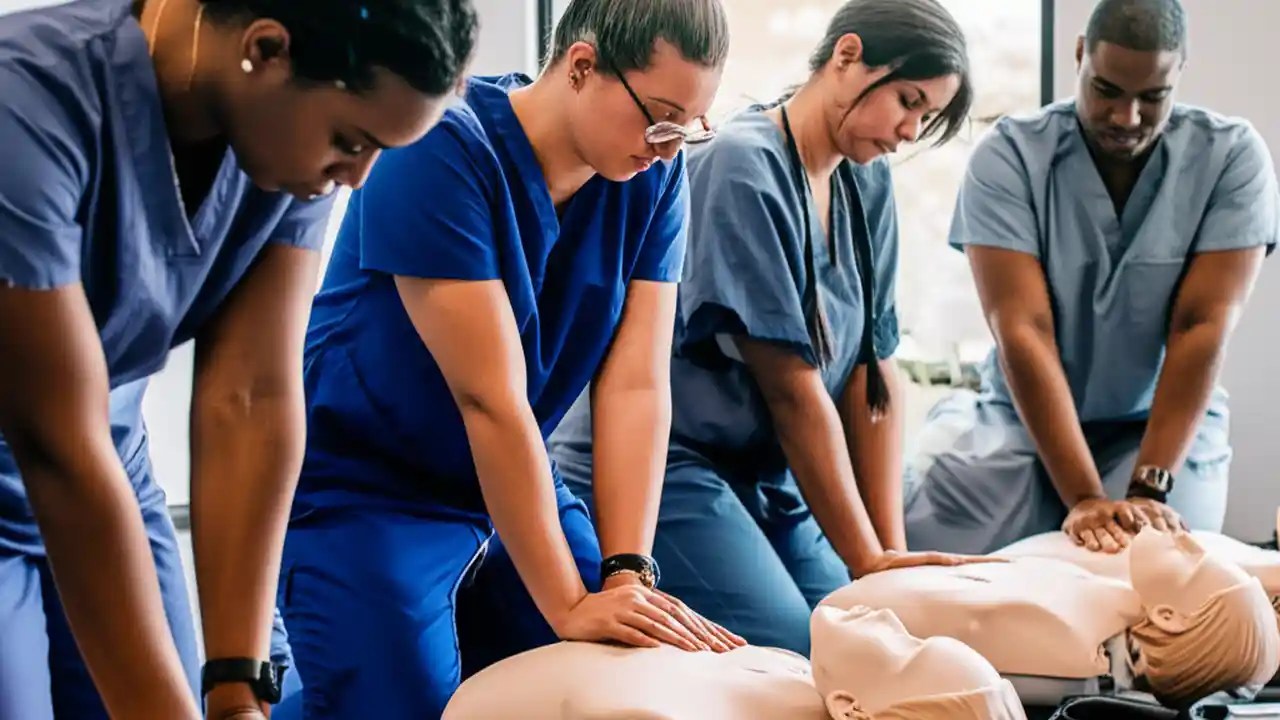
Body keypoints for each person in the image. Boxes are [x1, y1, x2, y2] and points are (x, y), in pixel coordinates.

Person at [0, 0, 475, 717]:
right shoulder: (25, 102)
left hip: (110, 460)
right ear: (264, 50)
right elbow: (54, 448)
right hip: (53, 452)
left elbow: (250, 397)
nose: (356, 177)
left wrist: (236, 686)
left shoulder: (286, 146)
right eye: (351, 142)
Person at [277, 1, 742, 717]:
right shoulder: (438, 142)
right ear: (582, 66)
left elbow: (636, 385)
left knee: (624, 669)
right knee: (406, 704)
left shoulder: (651, 178)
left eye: (689, 128)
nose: (667, 147)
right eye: (660, 119)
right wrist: (568, 605)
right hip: (365, 486)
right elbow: (487, 398)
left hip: (512, 476)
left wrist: (626, 572)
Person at [550, 0, 988, 656]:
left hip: (766, 478)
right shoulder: (740, 164)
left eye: (926, 118)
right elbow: (792, 391)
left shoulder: (865, 184)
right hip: (674, 467)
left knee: (876, 630)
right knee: (801, 645)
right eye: (908, 101)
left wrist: (888, 560)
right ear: (846, 57)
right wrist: (864, 558)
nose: (909, 131)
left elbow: (873, 374)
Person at [902, 0, 1277, 556]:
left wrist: (1149, 486)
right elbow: (1022, 328)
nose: (1127, 117)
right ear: (1080, 54)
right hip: (1019, 414)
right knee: (929, 546)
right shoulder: (1010, 155)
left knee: (1158, 561)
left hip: (1154, 424)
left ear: (1181, 71)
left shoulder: (1231, 158)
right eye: (1107, 90)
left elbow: (1202, 326)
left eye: (1153, 97)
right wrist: (1084, 497)